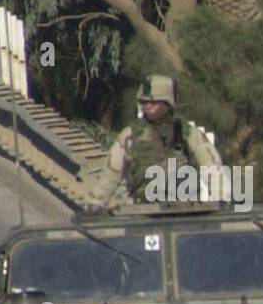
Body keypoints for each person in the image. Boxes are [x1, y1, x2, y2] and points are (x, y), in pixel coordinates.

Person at [89, 74, 222, 208]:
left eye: (153, 102)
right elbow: (112, 173)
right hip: (142, 210)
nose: (147, 106)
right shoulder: (130, 135)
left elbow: (210, 167)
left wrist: (221, 196)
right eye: (144, 102)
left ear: (168, 103)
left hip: (184, 210)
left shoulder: (188, 133)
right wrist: (96, 202)